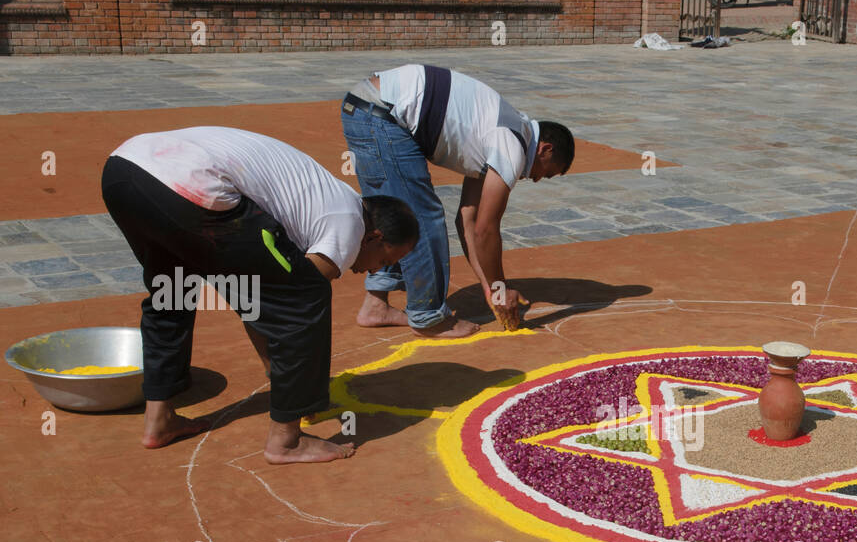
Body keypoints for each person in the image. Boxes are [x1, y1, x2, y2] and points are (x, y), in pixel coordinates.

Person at [102, 126, 419, 464]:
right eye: (384, 260)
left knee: (174, 288)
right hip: (190, 184)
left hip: (125, 170)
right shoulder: (349, 224)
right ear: (374, 235)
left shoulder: (327, 201)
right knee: (306, 297)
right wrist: (294, 387)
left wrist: (283, 378)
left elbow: (253, 294)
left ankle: (159, 419)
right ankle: (287, 440)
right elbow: (287, 305)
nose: (373, 271)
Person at [340, 64, 575, 337]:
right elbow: (485, 229)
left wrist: (490, 288)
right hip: (383, 116)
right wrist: (500, 290)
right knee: (420, 217)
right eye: (545, 173)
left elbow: (468, 220)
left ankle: (375, 306)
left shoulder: (504, 131)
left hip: (364, 107)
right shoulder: (512, 146)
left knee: (392, 217)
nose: (535, 179)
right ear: (545, 149)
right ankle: (428, 317)